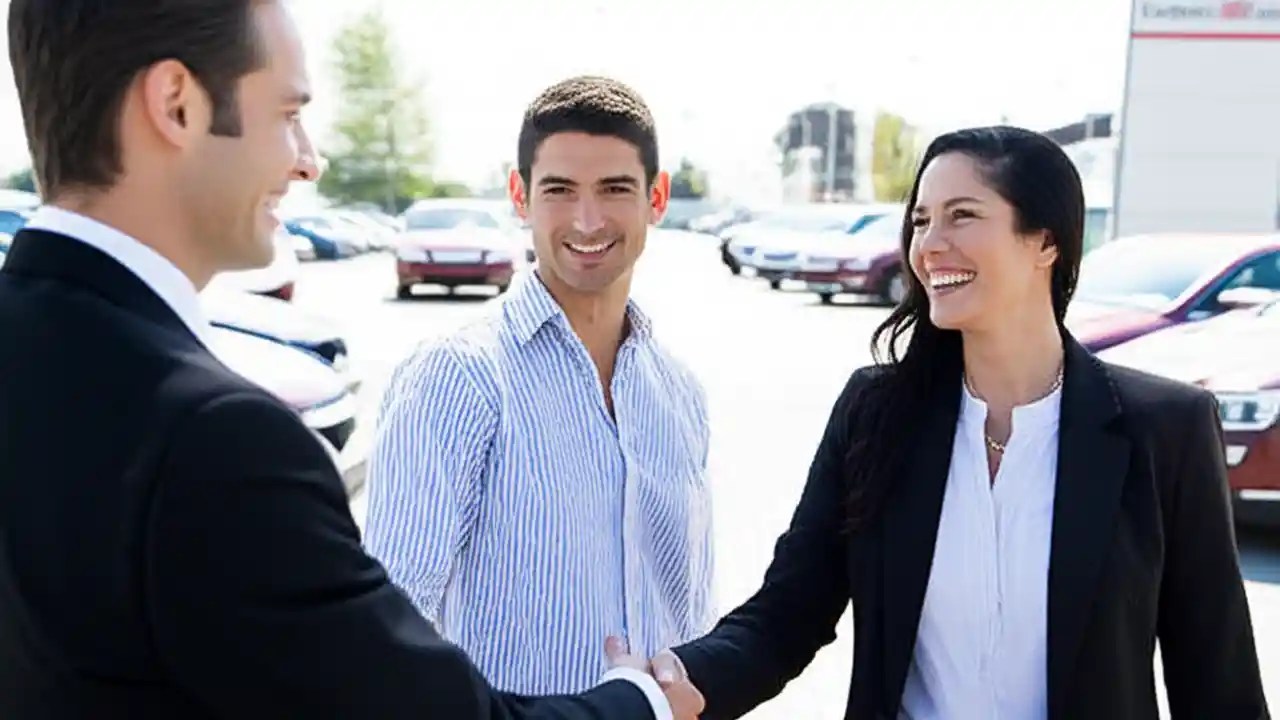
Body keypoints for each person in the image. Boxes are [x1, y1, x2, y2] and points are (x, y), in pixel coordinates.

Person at [0, 2, 702, 718]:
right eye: (287, 113)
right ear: (176, 105)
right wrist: (642, 706)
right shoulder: (218, 438)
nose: (307, 159)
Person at [632, 126, 1271, 719]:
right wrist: (684, 683)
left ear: (1045, 240)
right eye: (920, 220)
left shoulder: (1163, 427)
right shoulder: (876, 415)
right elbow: (787, 615)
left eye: (962, 215)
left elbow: (1215, 674)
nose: (930, 244)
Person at [363, 75, 716, 698]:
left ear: (656, 198)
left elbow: (691, 611)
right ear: (520, 196)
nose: (587, 219)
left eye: (615, 189)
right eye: (559, 190)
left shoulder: (678, 391)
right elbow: (387, 632)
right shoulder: (457, 379)